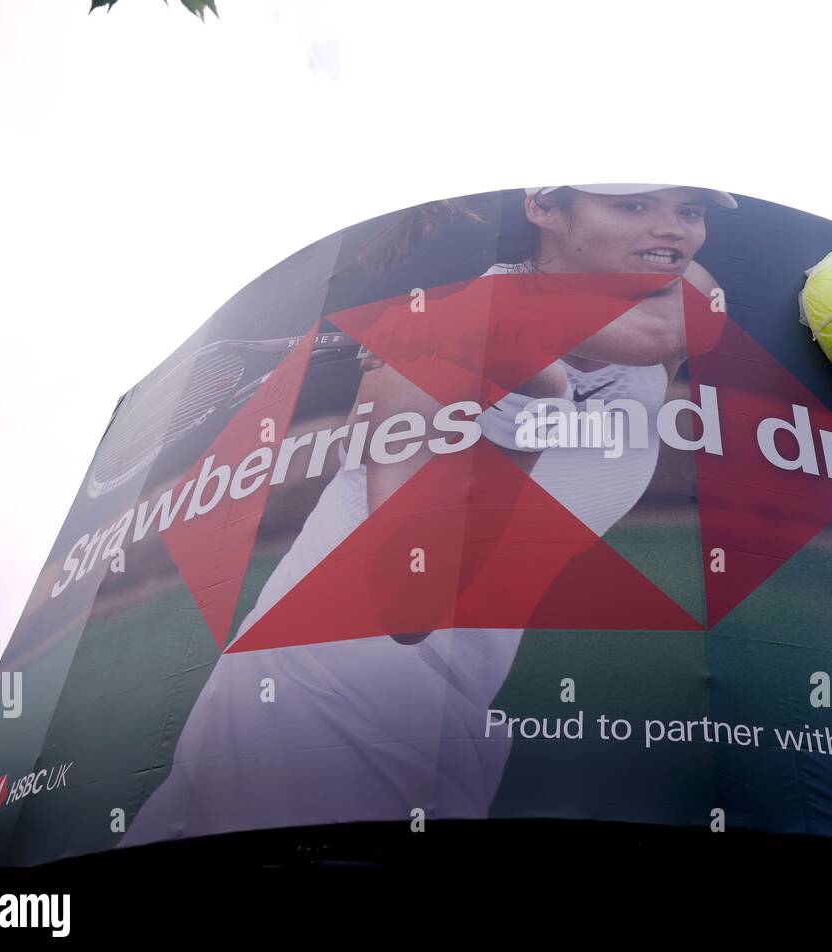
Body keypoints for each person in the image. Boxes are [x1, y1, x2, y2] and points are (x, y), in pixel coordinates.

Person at [121, 185, 734, 844]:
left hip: (449, 721)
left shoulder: (663, 293)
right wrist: (525, 403)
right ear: (544, 211)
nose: (672, 231)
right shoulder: (425, 355)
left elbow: (671, 324)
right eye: (635, 207)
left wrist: (508, 326)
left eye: (689, 211)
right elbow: (411, 604)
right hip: (318, 697)